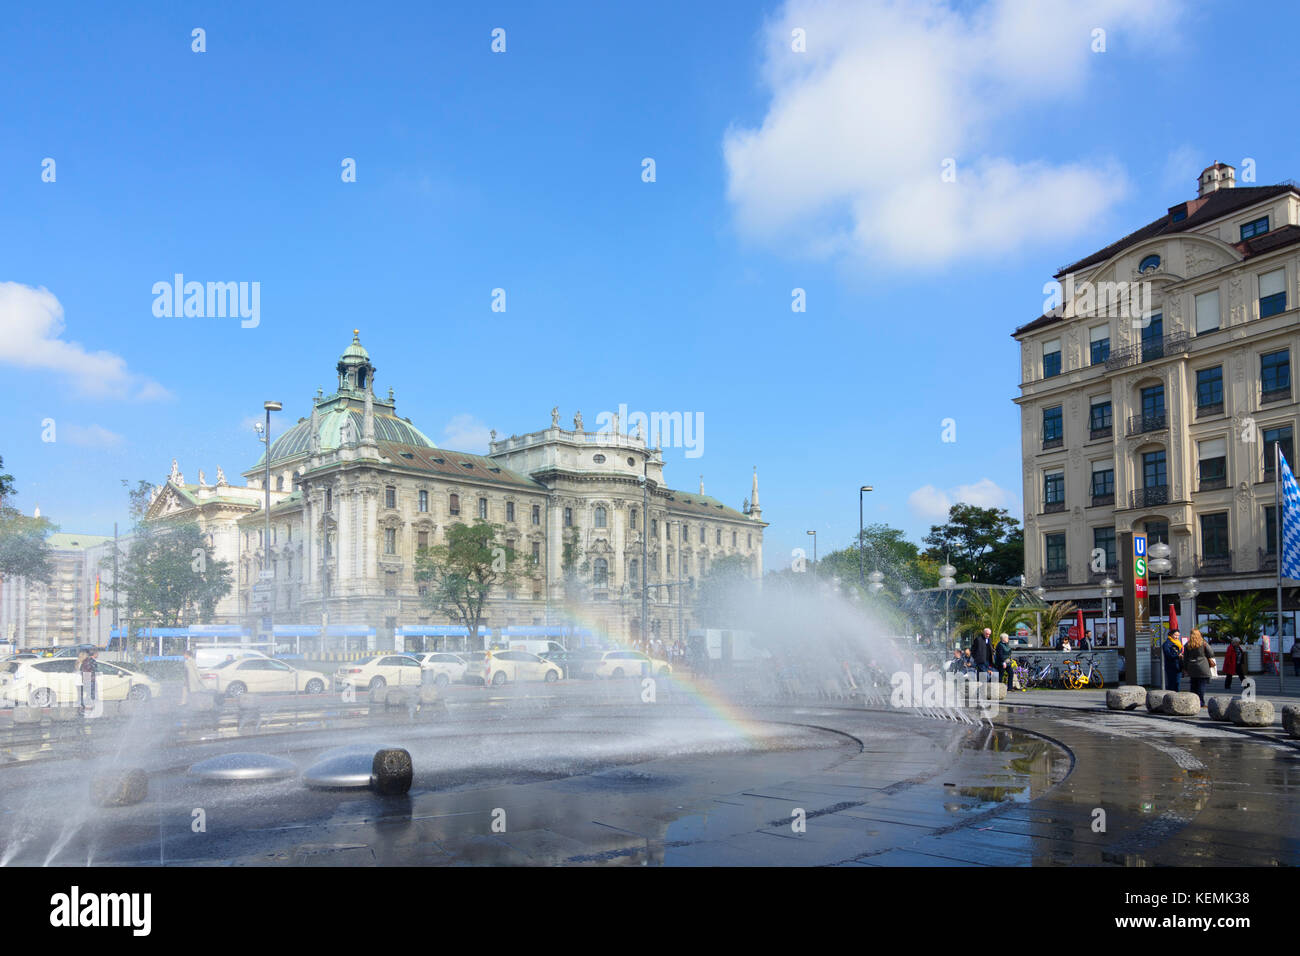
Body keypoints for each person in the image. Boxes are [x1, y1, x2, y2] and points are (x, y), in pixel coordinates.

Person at [1182, 629, 1214, 706]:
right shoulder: (1203, 643)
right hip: (1202, 667)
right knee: (1201, 685)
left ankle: (1193, 702)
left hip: (1192, 667)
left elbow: (1185, 658)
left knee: (1193, 685)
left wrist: (1185, 668)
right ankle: (1201, 702)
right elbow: (1211, 653)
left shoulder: (1187, 644)